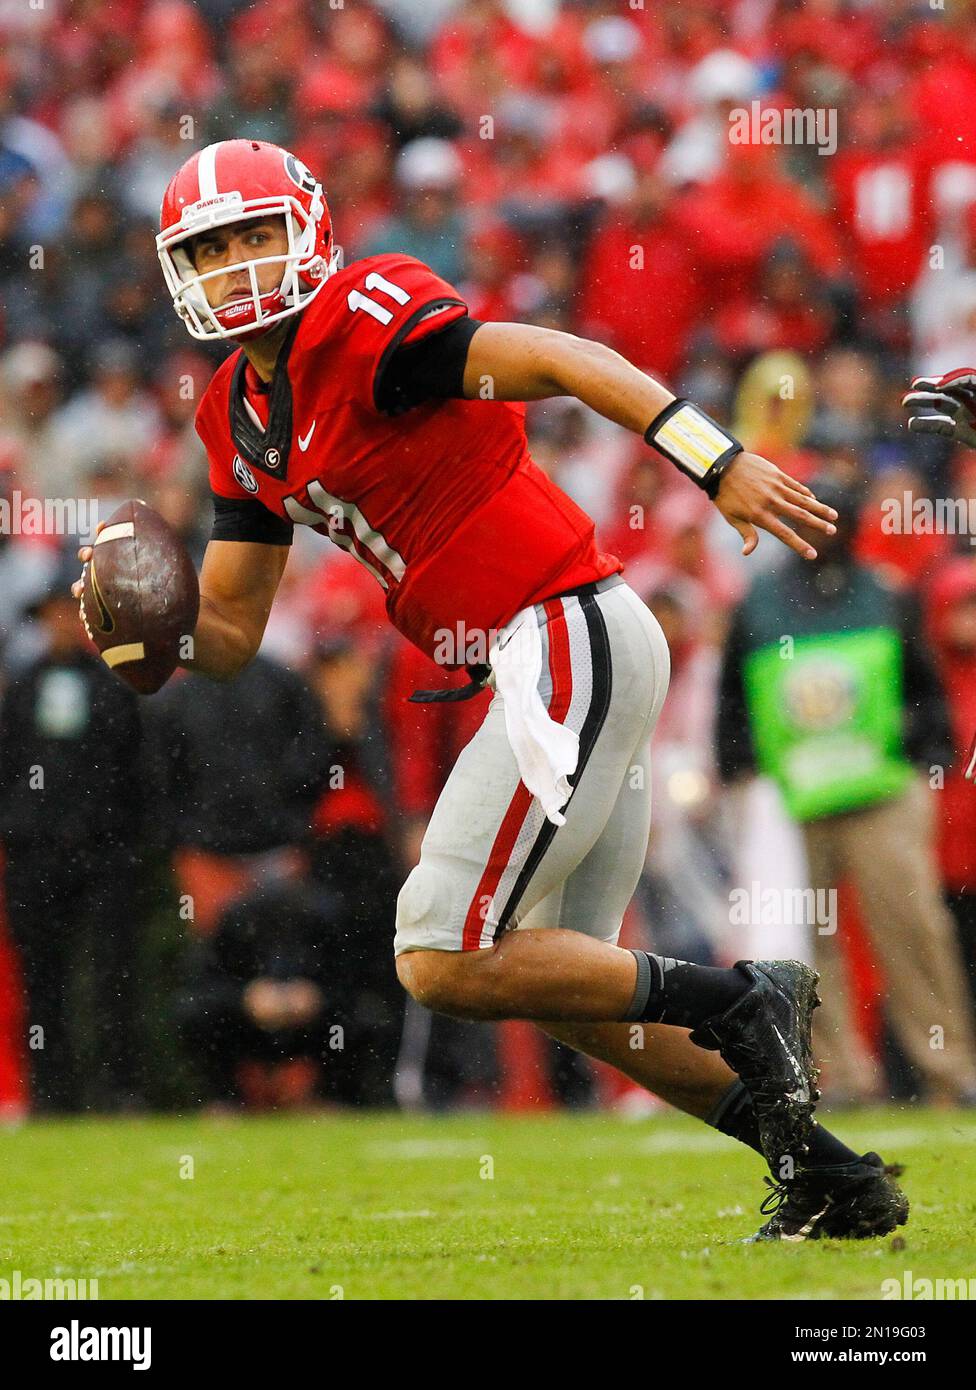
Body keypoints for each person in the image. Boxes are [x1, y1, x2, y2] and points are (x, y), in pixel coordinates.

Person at [73, 139, 905, 1240]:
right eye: (210, 248)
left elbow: (561, 355)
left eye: (252, 236)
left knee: (439, 951)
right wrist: (148, 629)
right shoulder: (235, 415)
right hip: (546, 655)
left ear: (308, 230)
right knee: (564, 986)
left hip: (568, 627)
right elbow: (230, 631)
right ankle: (828, 1175)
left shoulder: (365, 319)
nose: (234, 266)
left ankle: (745, 995)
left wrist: (714, 460)